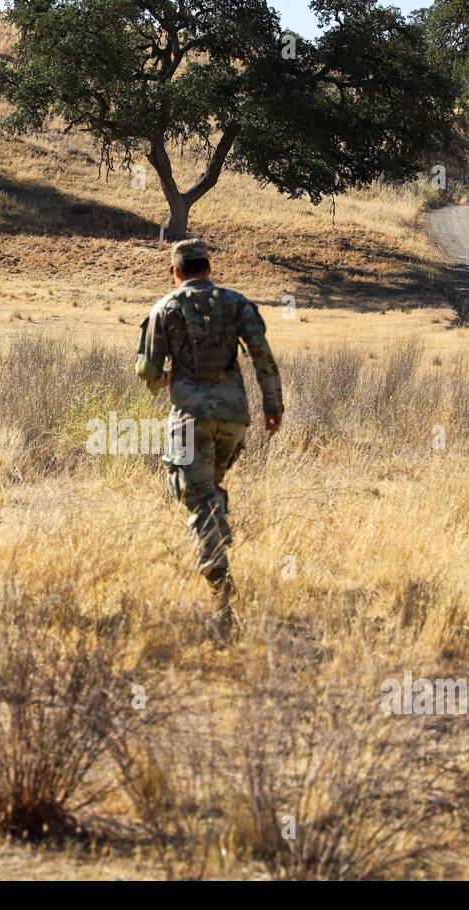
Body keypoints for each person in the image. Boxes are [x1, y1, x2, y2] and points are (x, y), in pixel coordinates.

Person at [135, 238, 283, 634]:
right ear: (208, 267)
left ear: (176, 271)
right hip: (234, 417)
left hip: (189, 418)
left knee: (193, 492)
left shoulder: (164, 309)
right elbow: (262, 356)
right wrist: (273, 407)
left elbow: (147, 371)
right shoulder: (236, 303)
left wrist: (165, 380)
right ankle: (219, 524)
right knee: (209, 486)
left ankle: (219, 583)